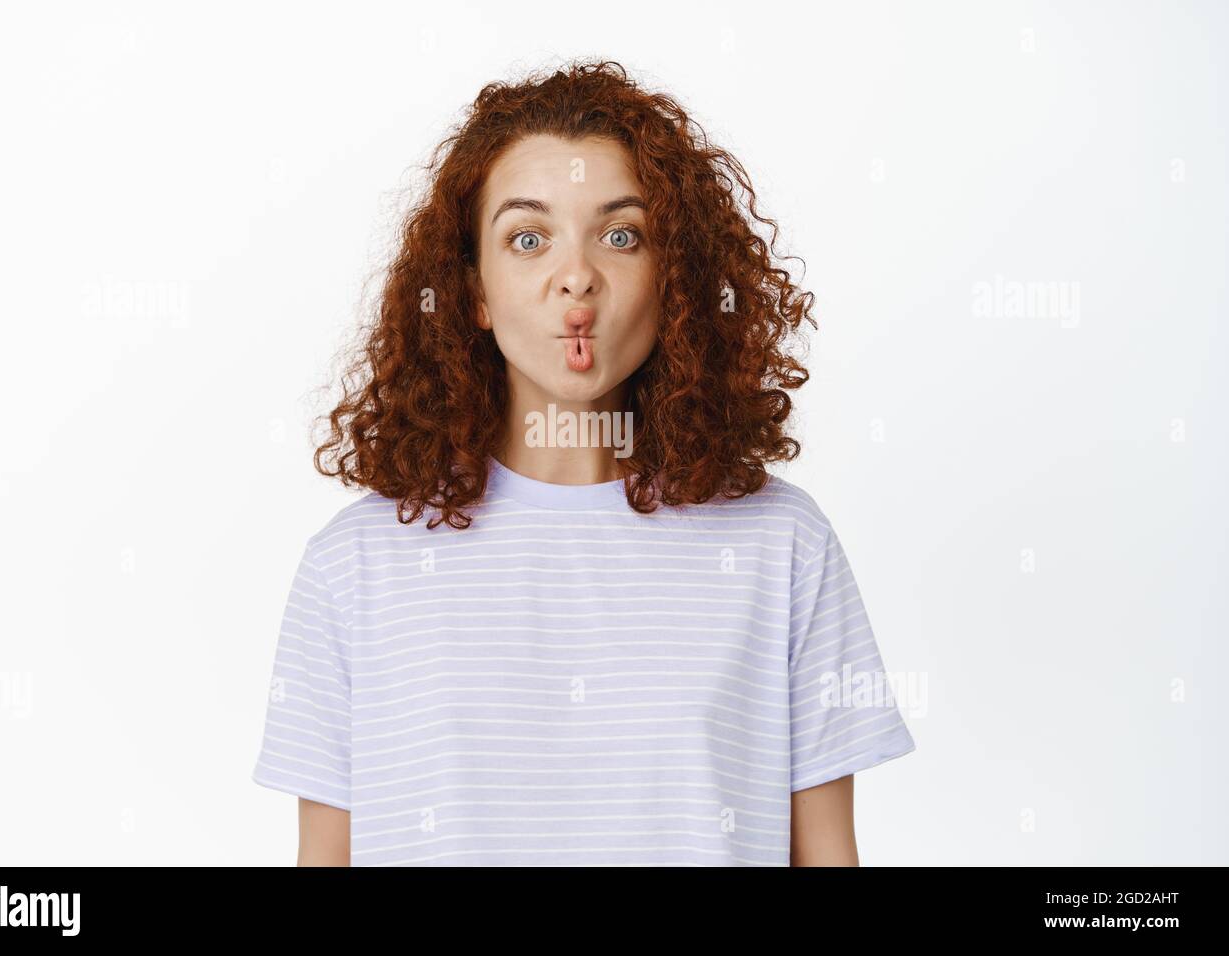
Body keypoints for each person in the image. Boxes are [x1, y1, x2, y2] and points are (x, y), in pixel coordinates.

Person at [251, 58, 917, 866]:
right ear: (474, 293)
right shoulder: (354, 568)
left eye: (621, 235)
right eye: (528, 239)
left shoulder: (783, 548)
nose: (577, 277)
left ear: (673, 277)